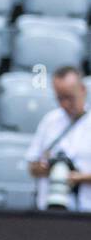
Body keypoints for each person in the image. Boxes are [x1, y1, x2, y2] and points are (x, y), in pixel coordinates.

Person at [26, 65, 91, 211]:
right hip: (50, 211)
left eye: (70, 97)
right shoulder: (49, 121)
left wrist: (79, 178)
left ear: (83, 90)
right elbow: (32, 166)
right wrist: (47, 168)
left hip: (86, 212)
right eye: (60, 98)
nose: (65, 104)